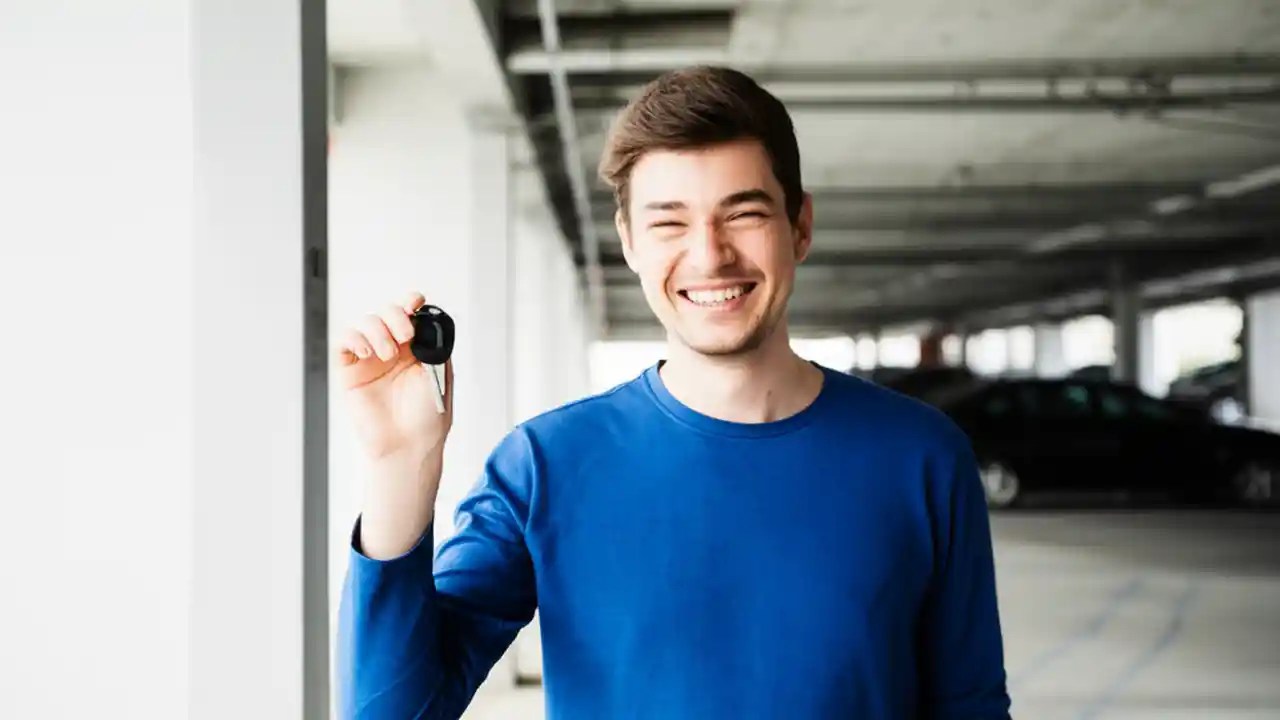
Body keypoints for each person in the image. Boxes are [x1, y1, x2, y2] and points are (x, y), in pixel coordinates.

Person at [334, 66, 1011, 719]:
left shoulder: (921, 457)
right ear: (629, 241)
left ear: (799, 226)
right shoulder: (545, 465)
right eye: (669, 222)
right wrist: (400, 466)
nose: (710, 254)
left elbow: (970, 706)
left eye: (742, 214)